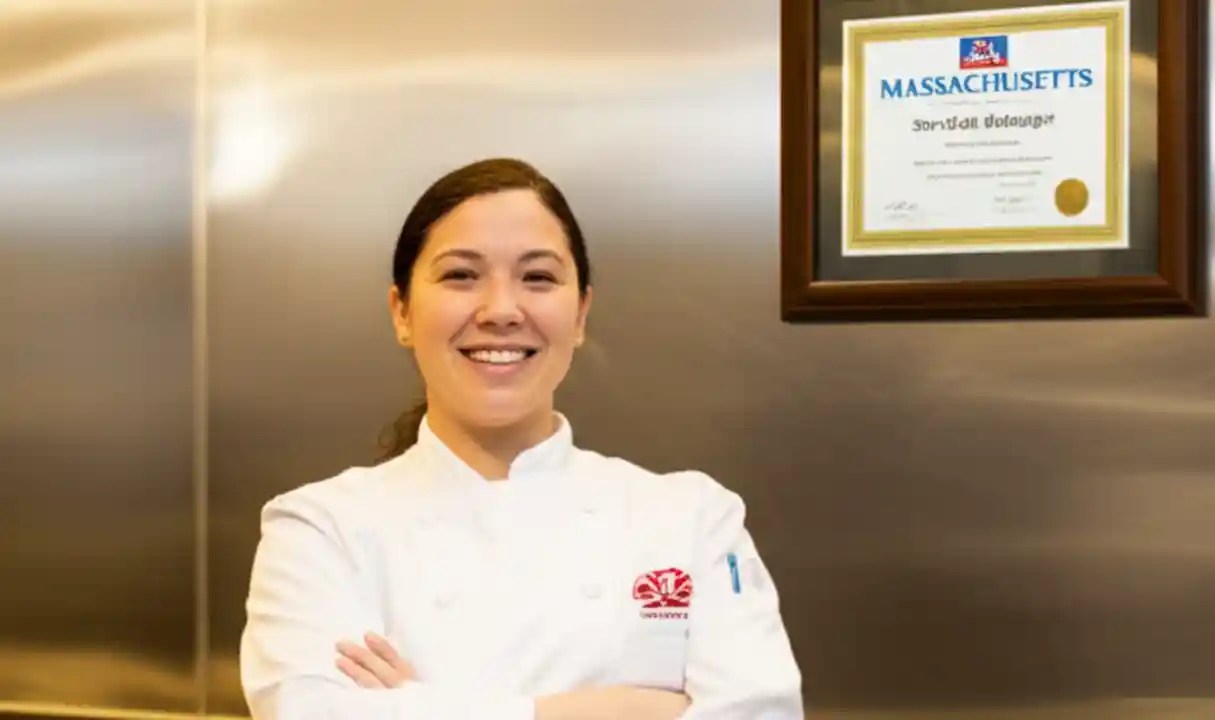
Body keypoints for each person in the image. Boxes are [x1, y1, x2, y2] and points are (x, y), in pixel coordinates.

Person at [239, 158, 804, 719]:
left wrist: (423, 707)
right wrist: (616, 710)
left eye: (538, 277)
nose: (502, 311)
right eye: (461, 275)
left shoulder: (692, 519)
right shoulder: (318, 529)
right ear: (402, 312)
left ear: (580, 314)